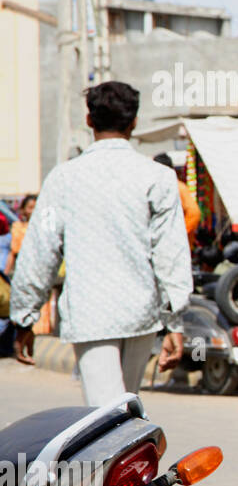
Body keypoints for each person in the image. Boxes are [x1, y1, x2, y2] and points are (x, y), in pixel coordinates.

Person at [9, 82, 189, 404]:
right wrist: (174, 322)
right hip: (141, 314)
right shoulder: (158, 177)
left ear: (90, 121)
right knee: (125, 412)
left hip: (91, 316)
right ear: (134, 122)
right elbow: (170, 256)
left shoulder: (64, 178)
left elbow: (39, 253)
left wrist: (24, 317)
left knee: (104, 418)